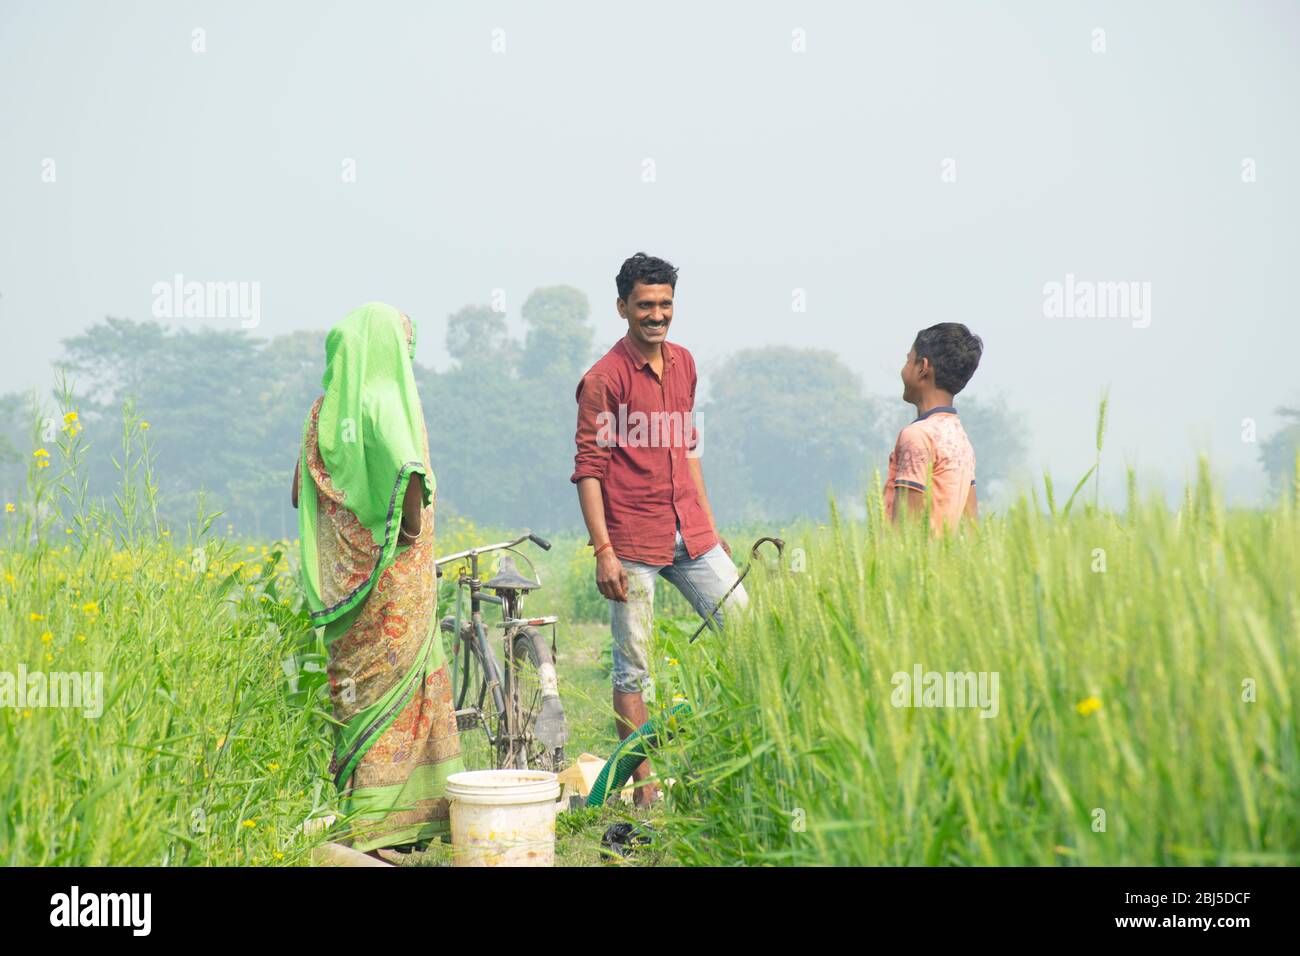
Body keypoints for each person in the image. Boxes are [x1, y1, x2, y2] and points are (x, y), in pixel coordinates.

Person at [571, 252, 747, 807]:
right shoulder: (604, 379)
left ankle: (739, 759)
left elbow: (689, 449)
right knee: (634, 668)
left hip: (692, 536)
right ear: (622, 307)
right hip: (633, 544)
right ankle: (644, 793)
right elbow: (589, 470)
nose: (656, 314)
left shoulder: (686, 364)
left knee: (752, 635)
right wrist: (604, 551)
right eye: (645, 304)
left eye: (665, 304)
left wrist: (710, 528)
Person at [292, 302, 463, 854]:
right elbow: (409, 469)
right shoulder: (390, 403)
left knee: (358, 696)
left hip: (344, 590)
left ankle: (365, 818)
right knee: (404, 691)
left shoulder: (323, 413)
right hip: (395, 581)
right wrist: (407, 530)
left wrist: (348, 525)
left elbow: (300, 491)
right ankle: (395, 825)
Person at [885, 322, 984, 530]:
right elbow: (972, 530)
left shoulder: (917, 436)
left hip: (911, 563)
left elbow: (904, 533)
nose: (903, 370)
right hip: (942, 561)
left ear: (922, 367)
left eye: (908, 360)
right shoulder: (961, 440)